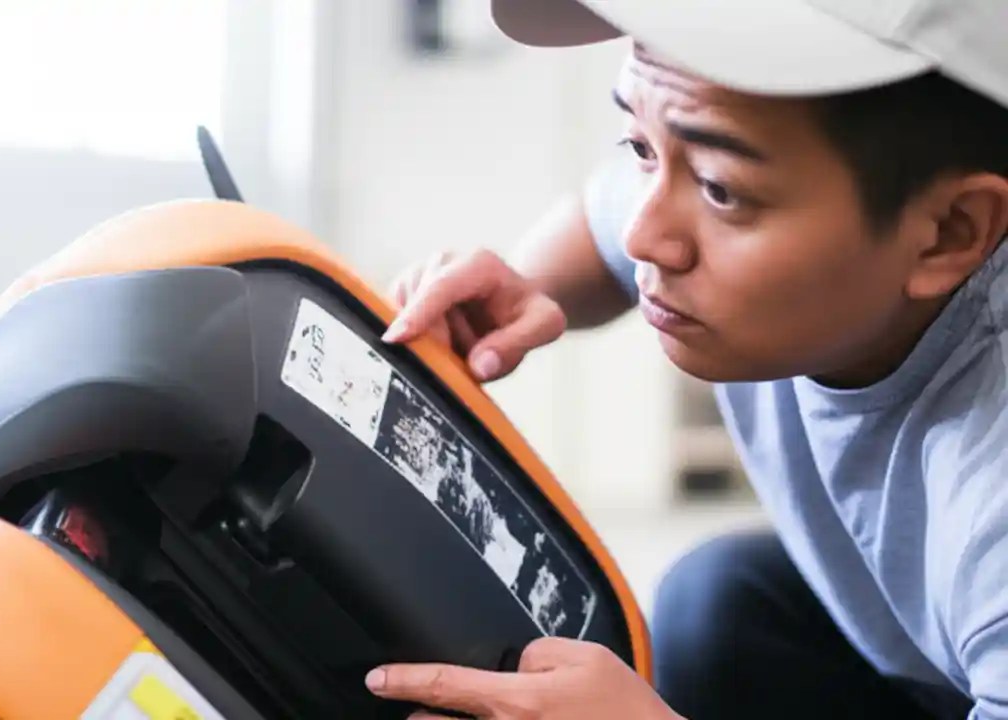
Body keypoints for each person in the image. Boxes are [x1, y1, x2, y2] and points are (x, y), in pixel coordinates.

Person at [361, 1, 1008, 718]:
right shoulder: (730, 186)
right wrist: (522, 288)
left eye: (720, 189)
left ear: (950, 232)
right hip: (931, 653)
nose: (645, 236)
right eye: (641, 148)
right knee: (720, 604)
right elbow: (603, 223)